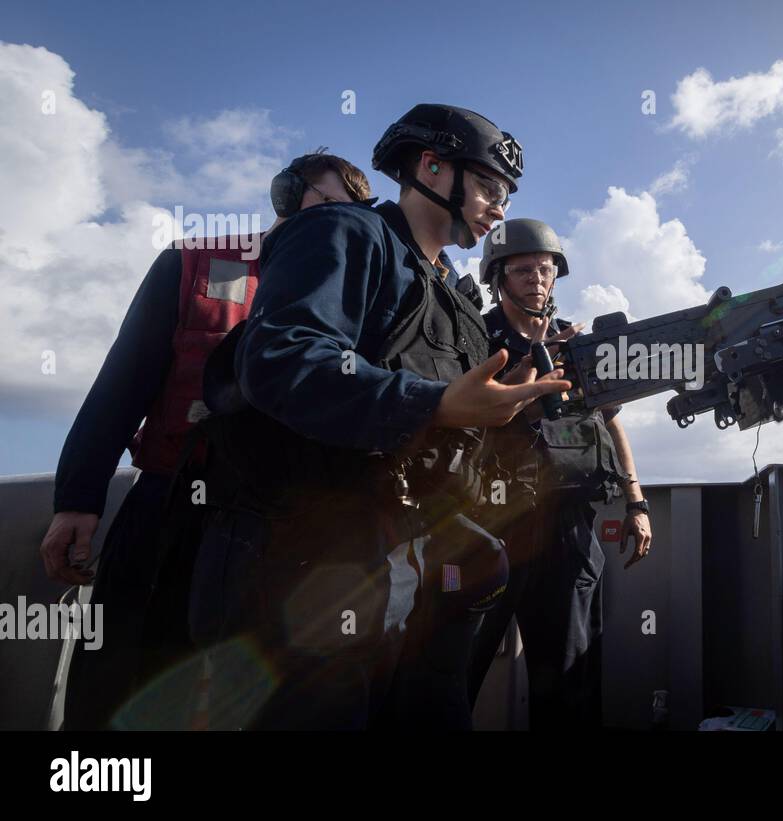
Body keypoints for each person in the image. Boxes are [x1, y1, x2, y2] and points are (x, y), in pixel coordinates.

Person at [189, 104, 569, 730]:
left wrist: (501, 403)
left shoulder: (454, 294)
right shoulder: (345, 233)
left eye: (506, 194)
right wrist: (437, 403)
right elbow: (282, 359)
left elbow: (456, 409)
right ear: (431, 166)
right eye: (490, 187)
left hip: (404, 554)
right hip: (304, 560)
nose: (499, 207)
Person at [39, 151, 373, 730]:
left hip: (272, 523)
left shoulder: (360, 295)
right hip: (170, 505)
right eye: (330, 207)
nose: (340, 227)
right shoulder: (197, 263)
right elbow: (123, 381)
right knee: (120, 676)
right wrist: (78, 497)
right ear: (287, 196)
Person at [468, 218, 652, 729]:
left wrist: (636, 504)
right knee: (455, 672)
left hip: (568, 525)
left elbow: (612, 424)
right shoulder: (472, 337)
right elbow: (469, 421)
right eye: (523, 270)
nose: (536, 279)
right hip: (488, 522)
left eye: (545, 270)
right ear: (498, 278)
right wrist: (529, 375)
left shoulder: (577, 342)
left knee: (569, 679)